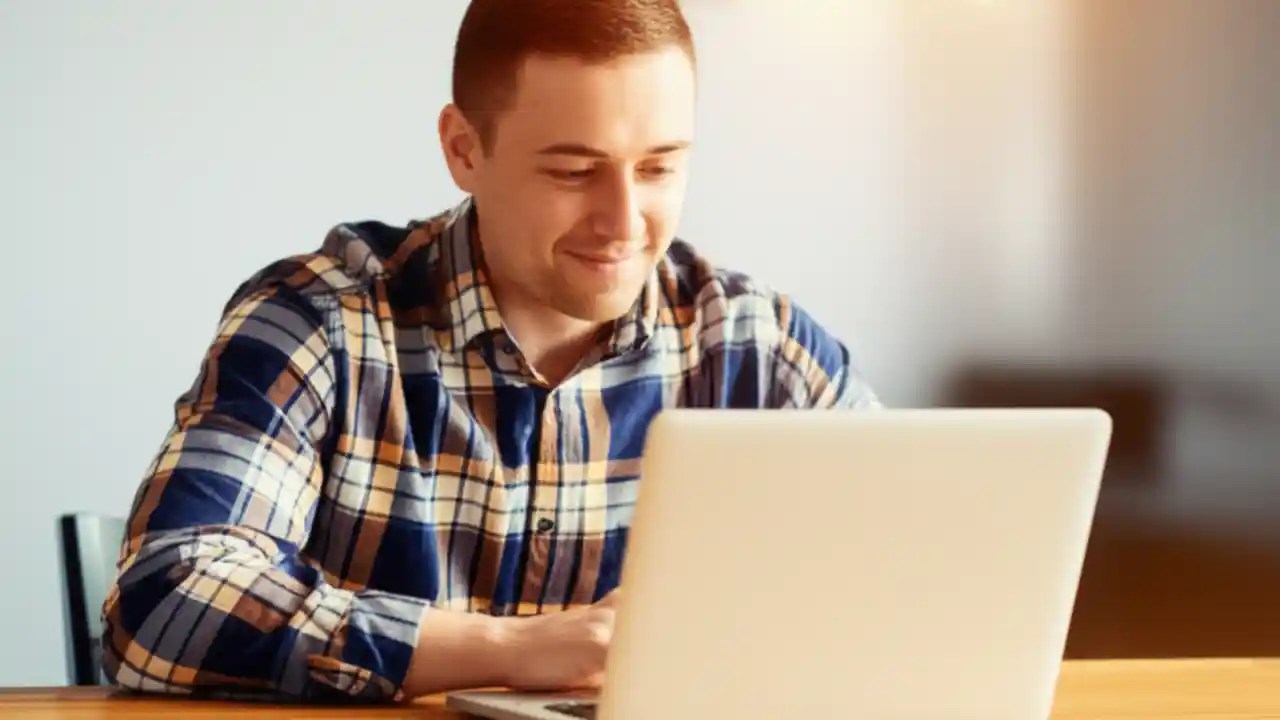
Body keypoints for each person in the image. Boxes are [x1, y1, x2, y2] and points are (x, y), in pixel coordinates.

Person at [102, 0, 879, 703]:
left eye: (658, 168)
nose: (624, 220)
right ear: (464, 149)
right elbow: (163, 604)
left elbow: (918, 580)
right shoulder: (321, 321)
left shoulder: (759, 351)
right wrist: (513, 650)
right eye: (574, 171)